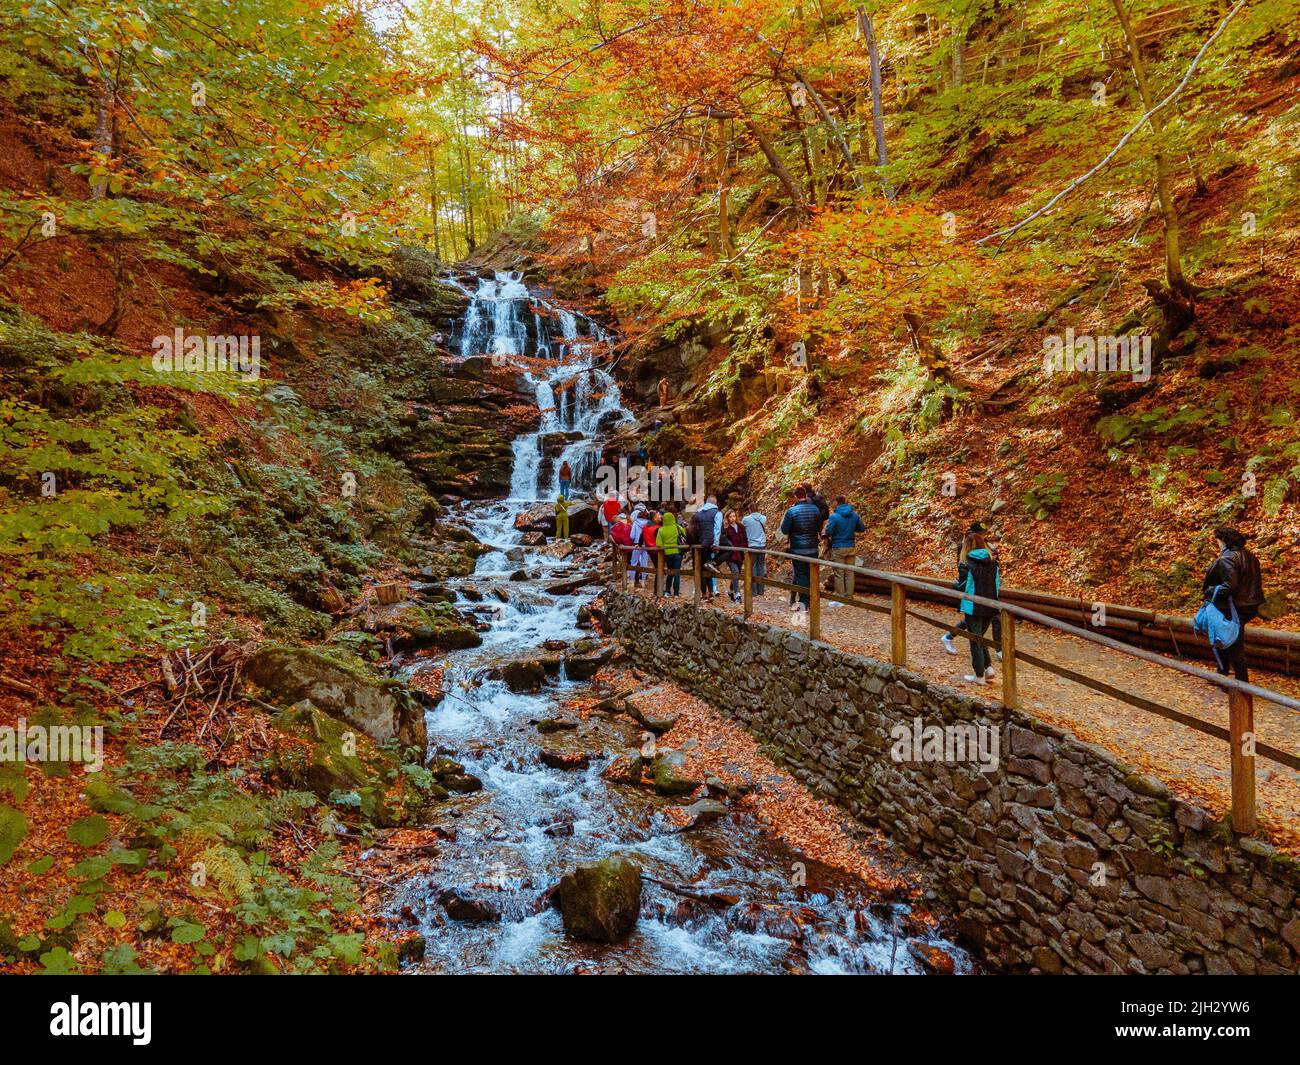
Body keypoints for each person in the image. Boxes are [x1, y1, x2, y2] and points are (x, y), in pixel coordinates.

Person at [1203, 527, 1264, 682]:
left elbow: (1229, 586)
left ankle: (1241, 682)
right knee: (1225, 638)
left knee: (1232, 643)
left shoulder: (1227, 559)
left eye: (1217, 540)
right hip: (1249, 605)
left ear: (1224, 541)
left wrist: (1210, 590)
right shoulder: (1250, 556)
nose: (1217, 544)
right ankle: (1223, 673)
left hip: (1233, 607)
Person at [941, 521, 1002, 657]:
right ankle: (949, 637)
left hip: (987, 587)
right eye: (980, 533)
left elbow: (994, 563)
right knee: (972, 620)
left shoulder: (987, 546)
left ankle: (999, 649)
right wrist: (962, 585)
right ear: (974, 533)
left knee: (994, 617)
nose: (983, 536)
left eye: (983, 533)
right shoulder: (964, 547)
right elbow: (964, 568)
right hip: (973, 587)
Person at [954, 531, 1000, 684]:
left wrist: (954, 585)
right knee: (979, 636)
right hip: (990, 605)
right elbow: (997, 586)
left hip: (973, 606)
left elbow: (962, 586)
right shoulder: (994, 563)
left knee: (975, 639)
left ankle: (979, 675)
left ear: (966, 546)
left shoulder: (967, 564)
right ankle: (988, 668)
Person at [780, 487, 822, 611]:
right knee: (810, 575)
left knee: (801, 575)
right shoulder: (815, 509)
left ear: (795, 497)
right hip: (813, 548)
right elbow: (819, 526)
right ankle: (809, 601)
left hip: (798, 549)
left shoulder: (791, 511)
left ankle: (804, 603)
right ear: (806, 496)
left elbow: (784, 529)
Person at [823, 496, 865, 599]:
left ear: (837, 502)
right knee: (850, 573)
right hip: (851, 546)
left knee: (839, 573)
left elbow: (829, 532)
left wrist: (827, 529)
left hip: (838, 547)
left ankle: (840, 596)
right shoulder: (854, 515)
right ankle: (849, 596)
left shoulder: (834, 516)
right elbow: (862, 528)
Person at [691, 494, 723, 601]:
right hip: (710, 544)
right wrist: (716, 544)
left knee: (700, 569)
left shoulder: (698, 514)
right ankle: (710, 593)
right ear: (715, 503)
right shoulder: (717, 513)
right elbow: (717, 530)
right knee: (708, 568)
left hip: (699, 545)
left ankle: (704, 594)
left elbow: (693, 530)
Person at [722, 510, 748, 602]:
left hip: (740, 554)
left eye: (734, 516)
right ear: (727, 518)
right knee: (736, 572)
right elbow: (724, 542)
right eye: (730, 517)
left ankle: (731, 590)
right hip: (731, 555)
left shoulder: (741, 527)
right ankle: (738, 594)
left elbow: (745, 539)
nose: (732, 518)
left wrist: (745, 550)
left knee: (737, 573)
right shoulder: (726, 529)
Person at [741, 504, 768, 596]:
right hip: (762, 546)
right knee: (761, 566)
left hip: (752, 546)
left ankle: (754, 591)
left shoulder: (746, 519)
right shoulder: (764, 518)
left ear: (749, 510)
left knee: (753, 567)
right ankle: (761, 590)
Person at [657, 510, 683, 596]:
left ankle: (667, 591)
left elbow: (659, 544)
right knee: (677, 573)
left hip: (667, 554)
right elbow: (684, 536)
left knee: (670, 572)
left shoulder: (661, 530)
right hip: (678, 552)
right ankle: (676, 593)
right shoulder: (678, 527)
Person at [629, 504, 650, 588]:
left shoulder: (635, 524)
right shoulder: (647, 524)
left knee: (633, 563)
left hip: (636, 545)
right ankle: (643, 581)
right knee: (644, 563)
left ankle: (631, 581)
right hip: (645, 546)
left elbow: (632, 536)